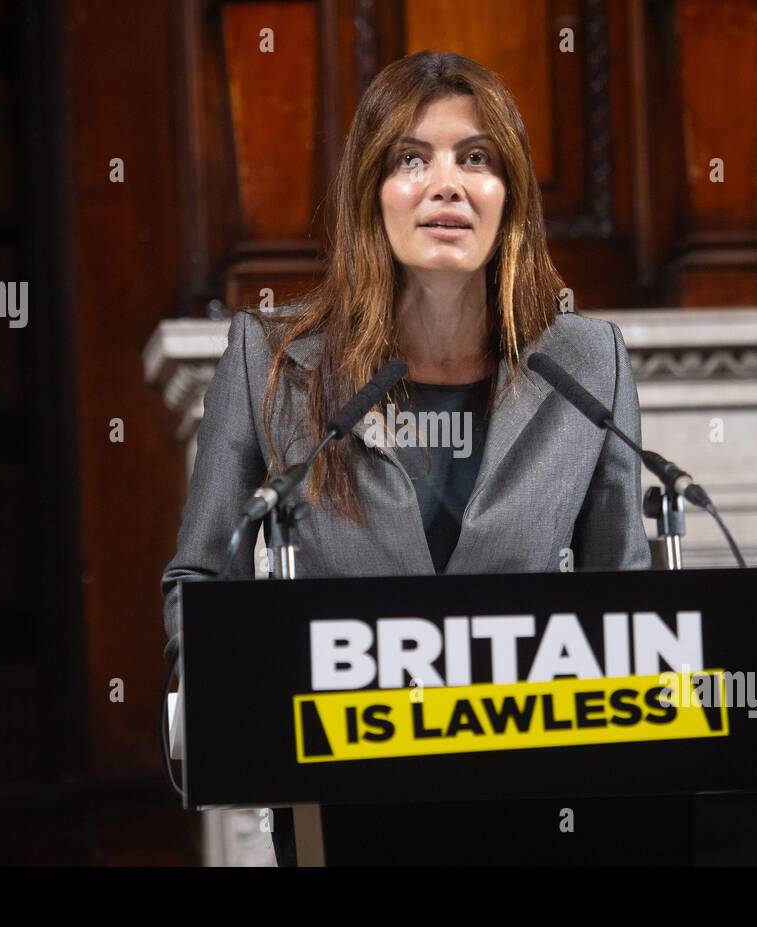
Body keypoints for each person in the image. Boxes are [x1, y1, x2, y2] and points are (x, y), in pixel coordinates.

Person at [161, 49, 693, 866]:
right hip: (342, 812)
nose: (447, 184)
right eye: (412, 159)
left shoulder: (588, 362)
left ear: (508, 194)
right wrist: (222, 706)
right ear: (370, 194)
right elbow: (200, 579)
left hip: (536, 814)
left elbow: (618, 601)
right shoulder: (269, 360)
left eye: (475, 158)